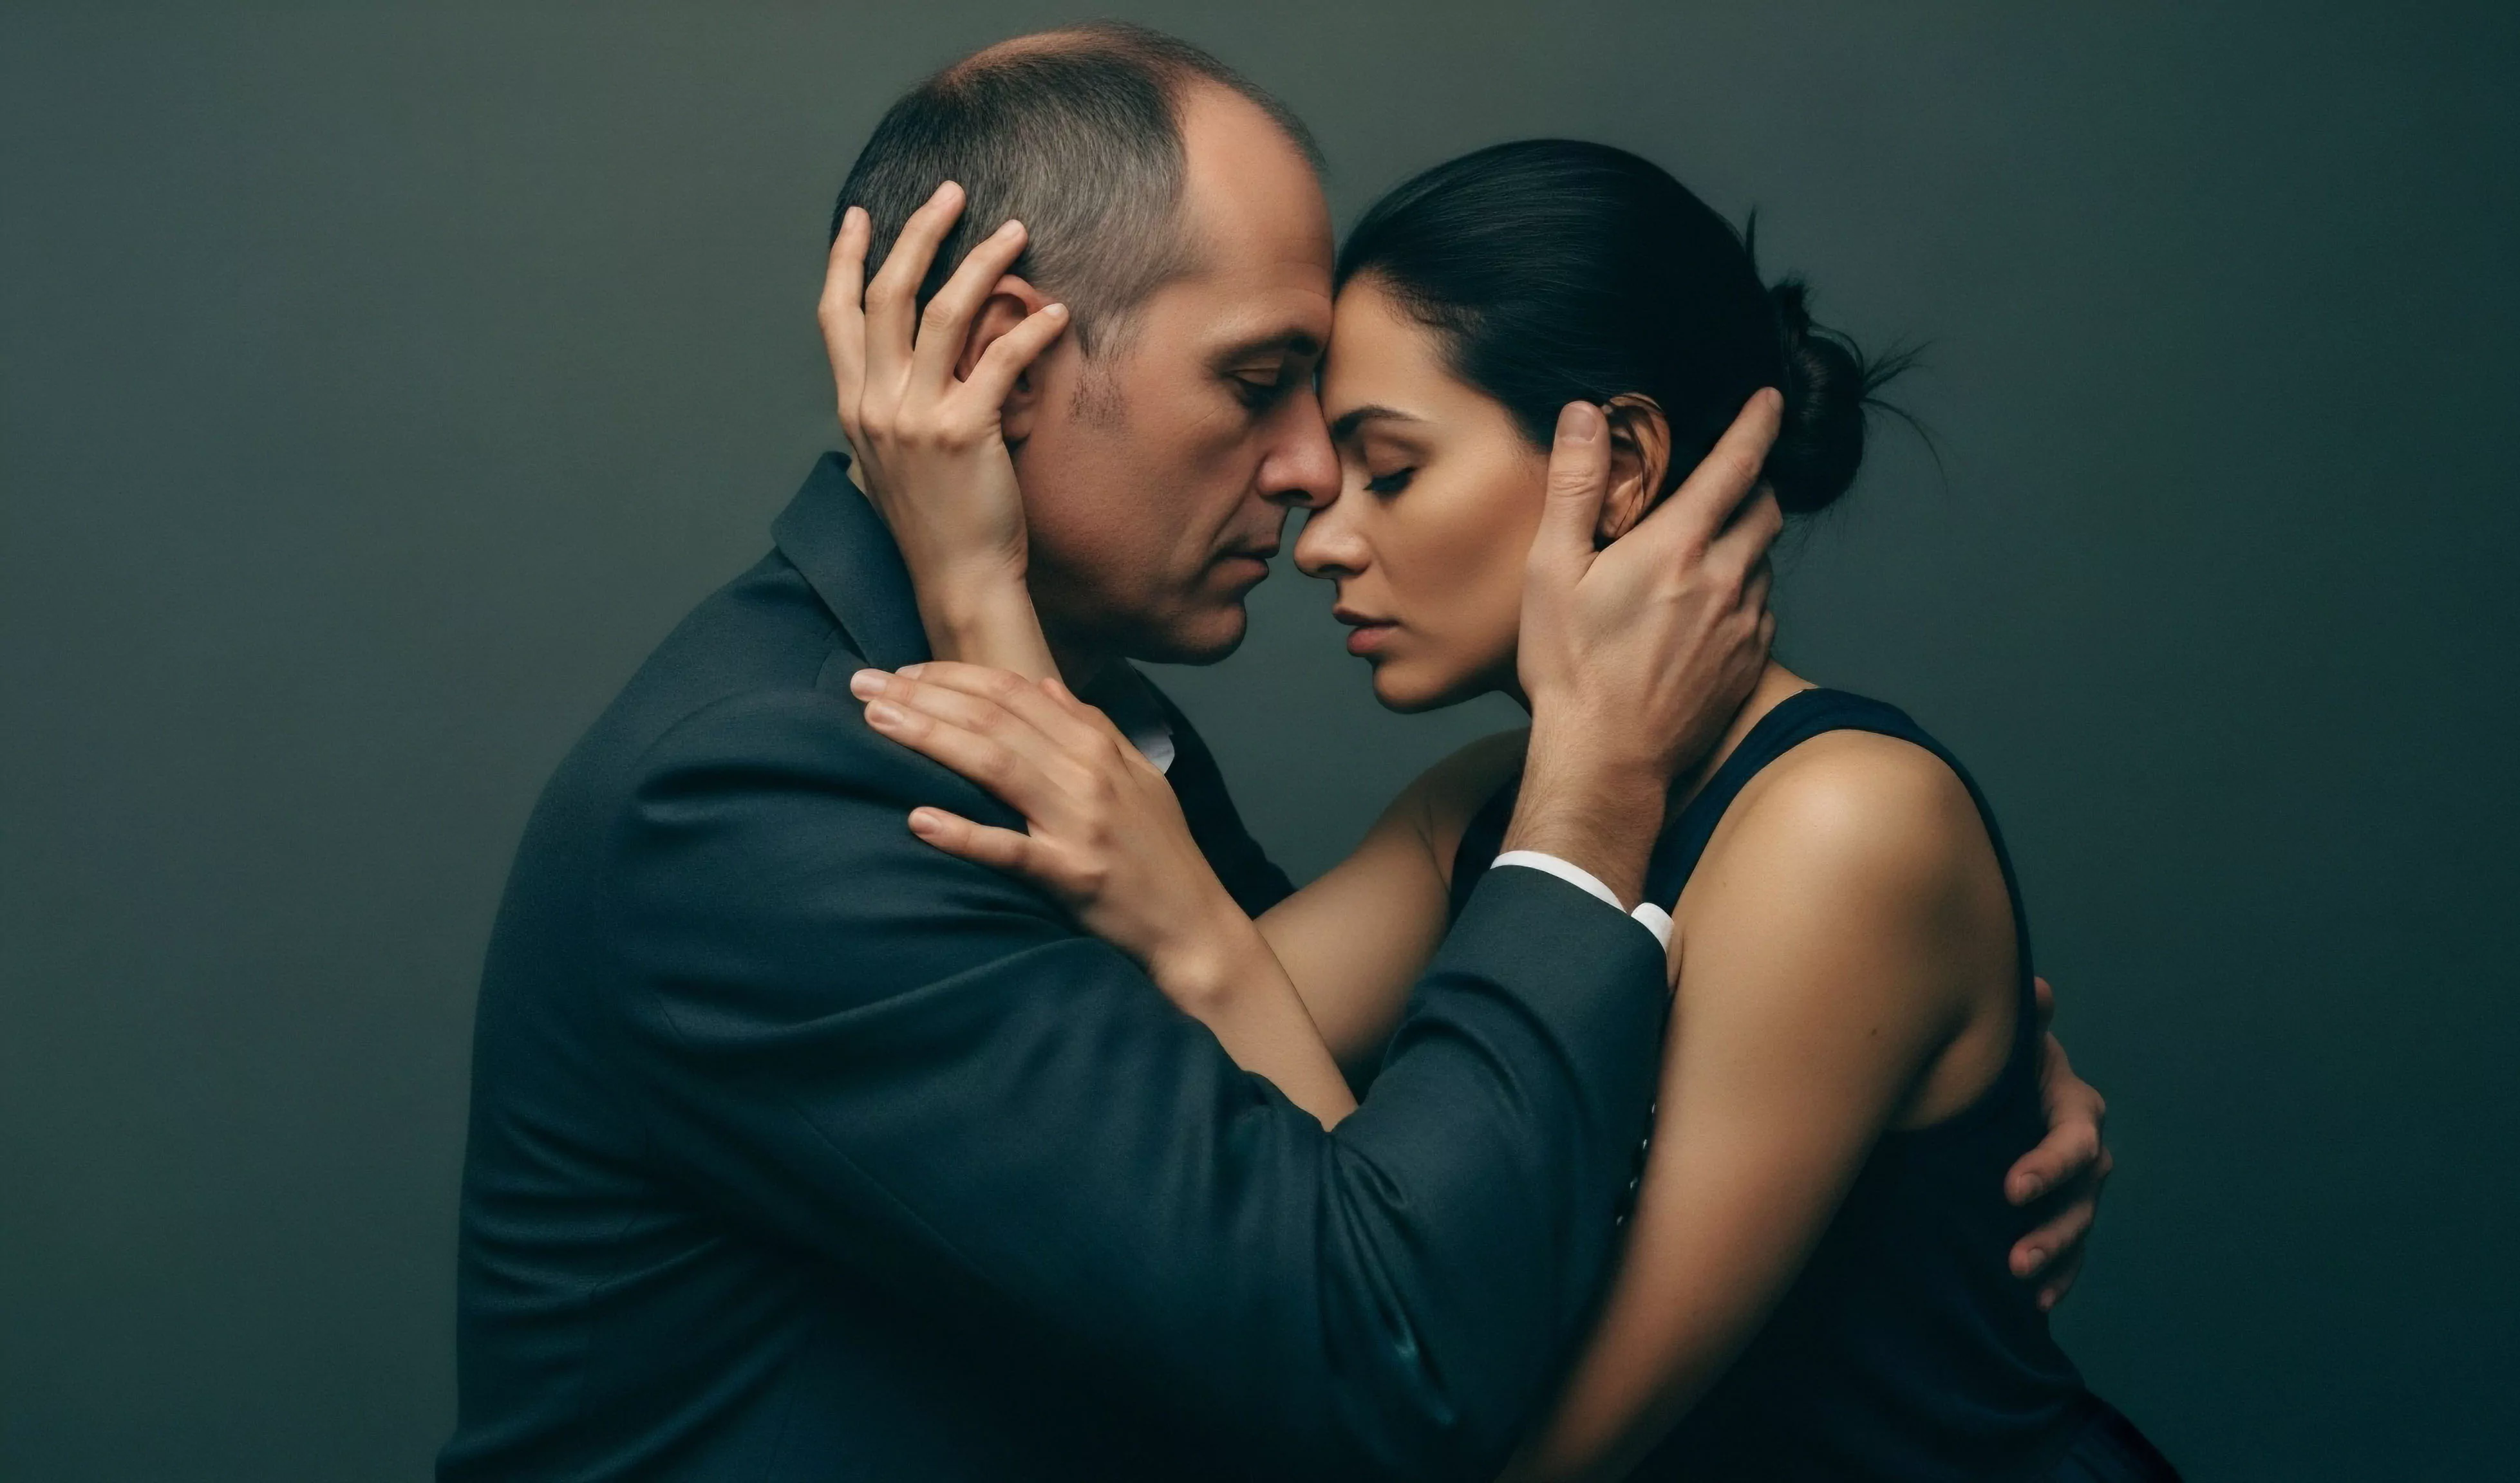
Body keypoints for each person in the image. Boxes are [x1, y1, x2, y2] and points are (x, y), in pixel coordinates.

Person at [440, 24, 2112, 1482]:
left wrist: (1909, 1122)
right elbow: (1374, 1298)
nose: (1311, 482)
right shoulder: (782, 788)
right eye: (1261, 384)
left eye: (1378, 449)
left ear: (1621, 468)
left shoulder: (1807, 830)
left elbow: (1329, 1201)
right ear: (998, 354)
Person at [845, 137, 2168, 1480]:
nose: (1322, 538)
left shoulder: (1842, 829)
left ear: (1626, 462)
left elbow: (1492, 1448)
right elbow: (1138, 1116)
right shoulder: (1482, 815)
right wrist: (973, 570)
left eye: (1392, 469)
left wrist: (1189, 915)